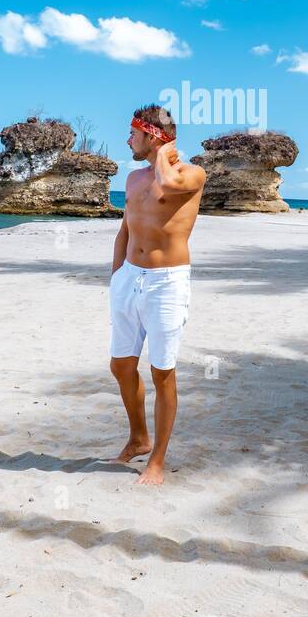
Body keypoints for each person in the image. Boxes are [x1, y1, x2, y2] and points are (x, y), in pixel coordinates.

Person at [109, 103, 206, 485]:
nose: (127, 139)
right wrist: (116, 277)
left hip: (167, 282)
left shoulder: (192, 174)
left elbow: (166, 185)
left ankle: (158, 462)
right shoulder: (133, 179)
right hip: (129, 279)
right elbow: (125, 230)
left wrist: (165, 153)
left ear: (152, 136)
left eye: (134, 134)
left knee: (162, 371)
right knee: (121, 366)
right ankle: (139, 438)